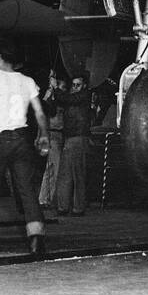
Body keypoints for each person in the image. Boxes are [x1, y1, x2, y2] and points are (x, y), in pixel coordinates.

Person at [0, 38, 49, 256]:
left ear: (0, 56)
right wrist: (44, 136)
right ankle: (36, 238)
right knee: (26, 189)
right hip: (22, 140)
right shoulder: (27, 81)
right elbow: (40, 113)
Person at [56, 73, 92, 216]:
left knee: (78, 175)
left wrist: (56, 90)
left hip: (78, 138)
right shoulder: (74, 97)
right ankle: (63, 207)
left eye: (78, 85)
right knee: (65, 174)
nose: (75, 87)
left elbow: (67, 99)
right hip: (70, 138)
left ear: (84, 86)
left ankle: (77, 208)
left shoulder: (84, 95)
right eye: (74, 85)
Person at [37, 71, 65, 207]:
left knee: (49, 169)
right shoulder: (52, 100)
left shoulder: (49, 99)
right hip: (53, 135)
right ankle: (48, 199)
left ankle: (44, 198)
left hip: (52, 135)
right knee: (53, 169)